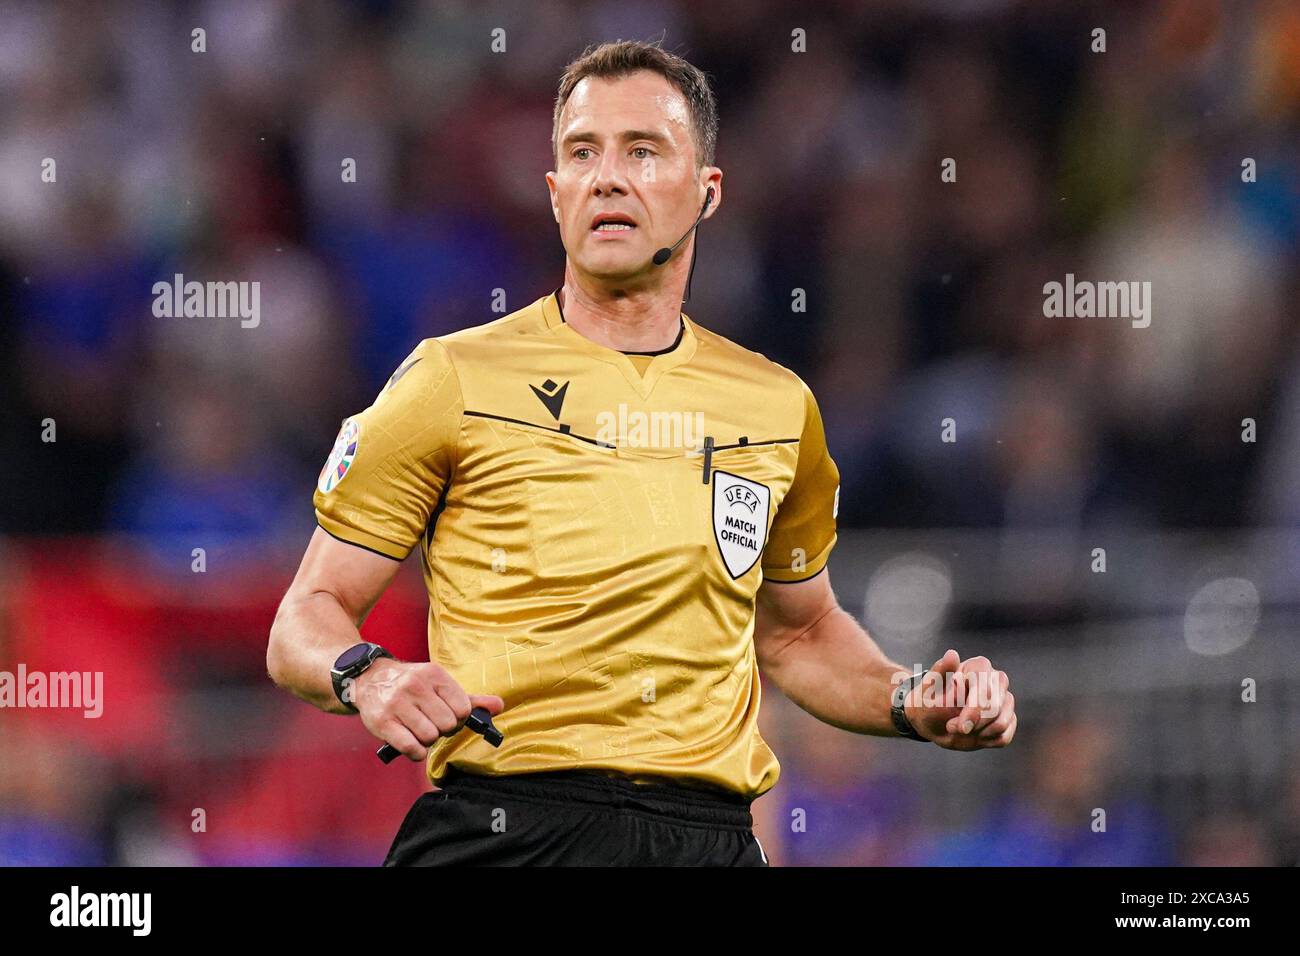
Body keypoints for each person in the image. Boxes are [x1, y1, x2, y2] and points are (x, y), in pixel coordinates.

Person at [265, 38, 1017, 867]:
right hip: (505, 831)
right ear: (556, 195)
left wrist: (916, 698)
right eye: (582, 153)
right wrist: (371, 677)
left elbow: (799, 637)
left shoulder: (776, 406)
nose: (607, 176)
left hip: (706, 841)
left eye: (643, 151)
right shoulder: (453, 377)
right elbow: (304, 617)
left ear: (707, 191)